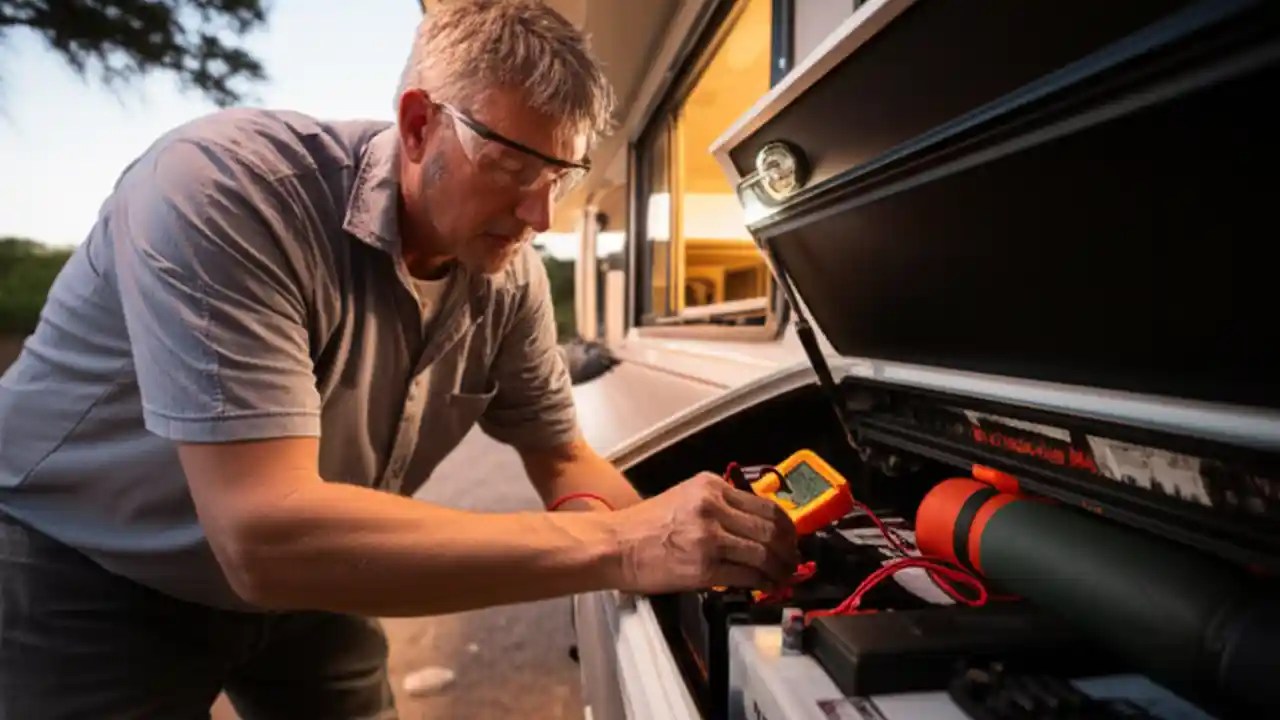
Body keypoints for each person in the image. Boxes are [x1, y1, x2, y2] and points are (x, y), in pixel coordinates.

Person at [0, 1, 799, 717]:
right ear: (419, 125)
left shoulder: (506, 273)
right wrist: (620, 546)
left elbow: (561, 455)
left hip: (317, 576)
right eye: (516, 166)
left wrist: (695, 552)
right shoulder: (225, 190)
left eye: (559, 175)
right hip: (89, 570)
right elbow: (262, 535)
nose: (541, 215)